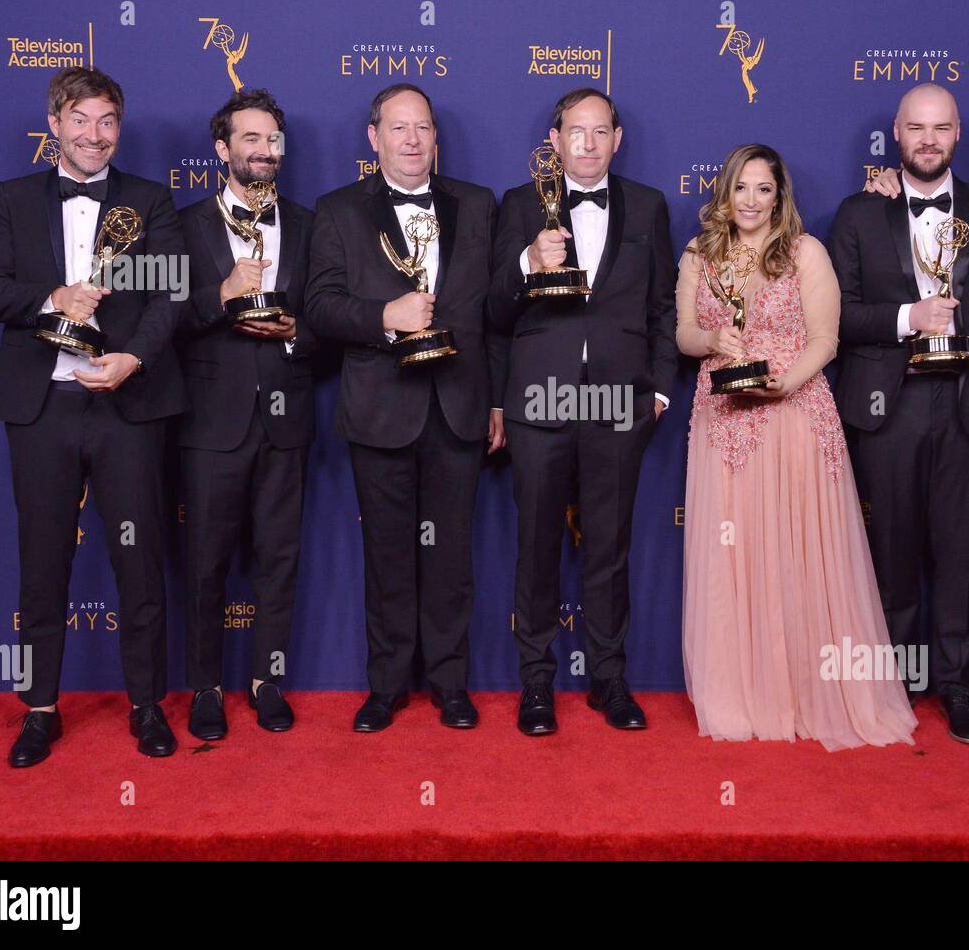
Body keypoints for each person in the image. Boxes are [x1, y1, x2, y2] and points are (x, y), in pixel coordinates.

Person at [0, 66, 187, 765]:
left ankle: (147, 705)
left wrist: (133, 360)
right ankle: (39, 709)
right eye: (82, 120)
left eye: (107, 123)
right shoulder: (14, 198)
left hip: (125, 405)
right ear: (55, 123)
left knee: (140, 561)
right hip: (42, 409)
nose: (96, 136)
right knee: (42, 565)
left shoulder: (152, 201)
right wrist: (52, 296)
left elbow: (172, 295)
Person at [677, 143, 917, 748]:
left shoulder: (806, 252)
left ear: (780, 196)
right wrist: (712, 337)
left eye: (765, 189)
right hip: (722, 417)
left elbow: (826, 338)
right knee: (731, 560)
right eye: (741, 188)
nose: (752, 200)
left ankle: (808, 692)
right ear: (724, 192)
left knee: (795, 551)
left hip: (794, 414)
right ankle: (740, 692)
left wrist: (787, 381)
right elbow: (681, 333)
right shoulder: (698, 254)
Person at [829, 84, 969, 746]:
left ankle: (956, 687)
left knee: (959, 557)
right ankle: (895, 689)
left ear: (958, 133)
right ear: (896, 132)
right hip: (890, 404)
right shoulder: (859, 213)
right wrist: (906, 318)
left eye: (940, 127)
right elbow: (838, 317)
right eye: (916, 127)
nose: (928, 139)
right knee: (891, 556)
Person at [304, 83, 506, 732]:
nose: (412, 139)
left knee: (451, 555)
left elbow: (494, 317)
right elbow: (320, 305)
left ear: (435, 137)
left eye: (422, 127)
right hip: (380, 409)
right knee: (387, 553)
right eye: (399, 128)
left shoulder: (478, 206)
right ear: (374, 138)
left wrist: (498, 399)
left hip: (459, 406)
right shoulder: (337, 210)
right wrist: (383, 316)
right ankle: (387, 684)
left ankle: (450, 682)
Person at [489, 88, 676, 735]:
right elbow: (493, 310)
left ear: (617, 139)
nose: (589, 143)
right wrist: (525, 260)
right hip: (539, 400)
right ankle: (536, 683)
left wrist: (657, 390)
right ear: (555, 137)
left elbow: (662, 308)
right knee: (536, 546)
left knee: (610, 547)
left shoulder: (650, 206)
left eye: (601, 132)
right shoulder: (518, 205)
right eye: (577, 131)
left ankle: (609, 679)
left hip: (621, 402)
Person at [176, 88, 317, 740]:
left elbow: (327, 318)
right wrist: (220, 294)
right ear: (222, 149)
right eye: (251, 140)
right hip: (210, 422)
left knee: (280, 557)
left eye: (272, 141)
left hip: (286, 420)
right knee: (204, 559)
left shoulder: (312, 223)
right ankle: (205, 686)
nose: (264, 152)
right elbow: (162, 319)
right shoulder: (182, 225)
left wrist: (293, 333)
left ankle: (268, 680)